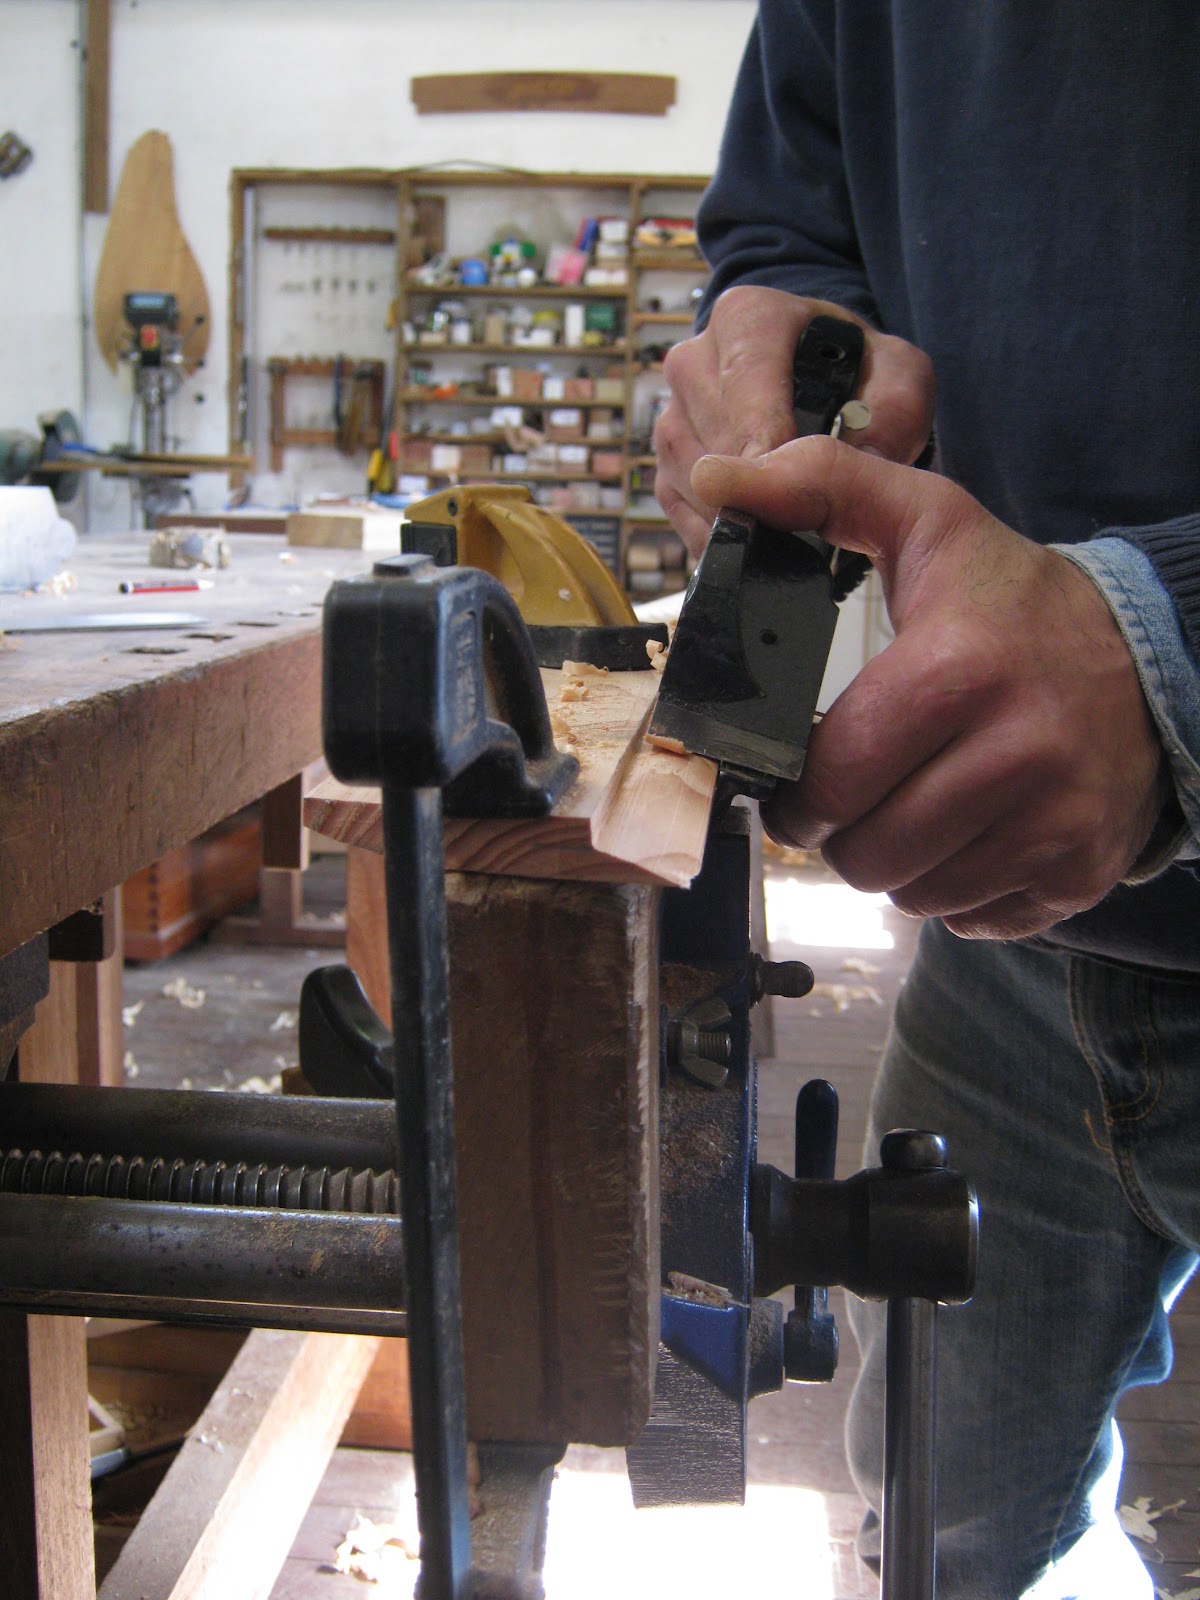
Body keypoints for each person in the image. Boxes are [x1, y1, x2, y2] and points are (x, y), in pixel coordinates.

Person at [652, 5, 1200, 1596]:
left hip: (1037, 846)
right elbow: (792, 210)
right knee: (944, 1539)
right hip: (1010, 950)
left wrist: (1166, 648)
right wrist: (780, 336)